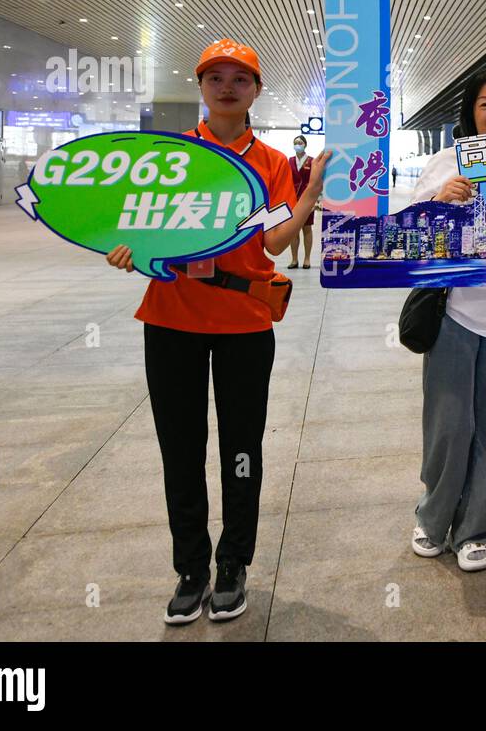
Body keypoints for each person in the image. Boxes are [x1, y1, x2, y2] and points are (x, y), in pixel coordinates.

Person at [106, 39, 329, 625]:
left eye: (241, 78)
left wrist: (308, 194)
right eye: (216, 77)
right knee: (180, 448)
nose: (228, 86)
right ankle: (189, 568)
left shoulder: (274, 162)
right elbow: (139, 223)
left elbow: (275, 242)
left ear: (256, 90)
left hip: (244, 323)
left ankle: (233, 563)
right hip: (171, 317)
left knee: (240, 447)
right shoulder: (170, 155)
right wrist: (130, 250)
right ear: (201, 87)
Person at [408, 68, 486, 572]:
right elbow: (410, 226)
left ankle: (477, 529)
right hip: (454, 311)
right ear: (471, 113)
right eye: (485, 104)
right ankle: (432, 519)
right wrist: (439, 201)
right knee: (448, 425)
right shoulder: (446, 160)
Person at [287, 134, 315, 269]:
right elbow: (286, 181)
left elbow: (316, 182)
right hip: (293, 200)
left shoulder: (311, 161)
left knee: (307, 229)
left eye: (300, 143)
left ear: (305, 145)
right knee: (293, 230)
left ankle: (307, 259)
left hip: (307, 201)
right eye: (295, 142)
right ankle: (294, 259)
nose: (298, 145)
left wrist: (316, 201)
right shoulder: (290, 161)